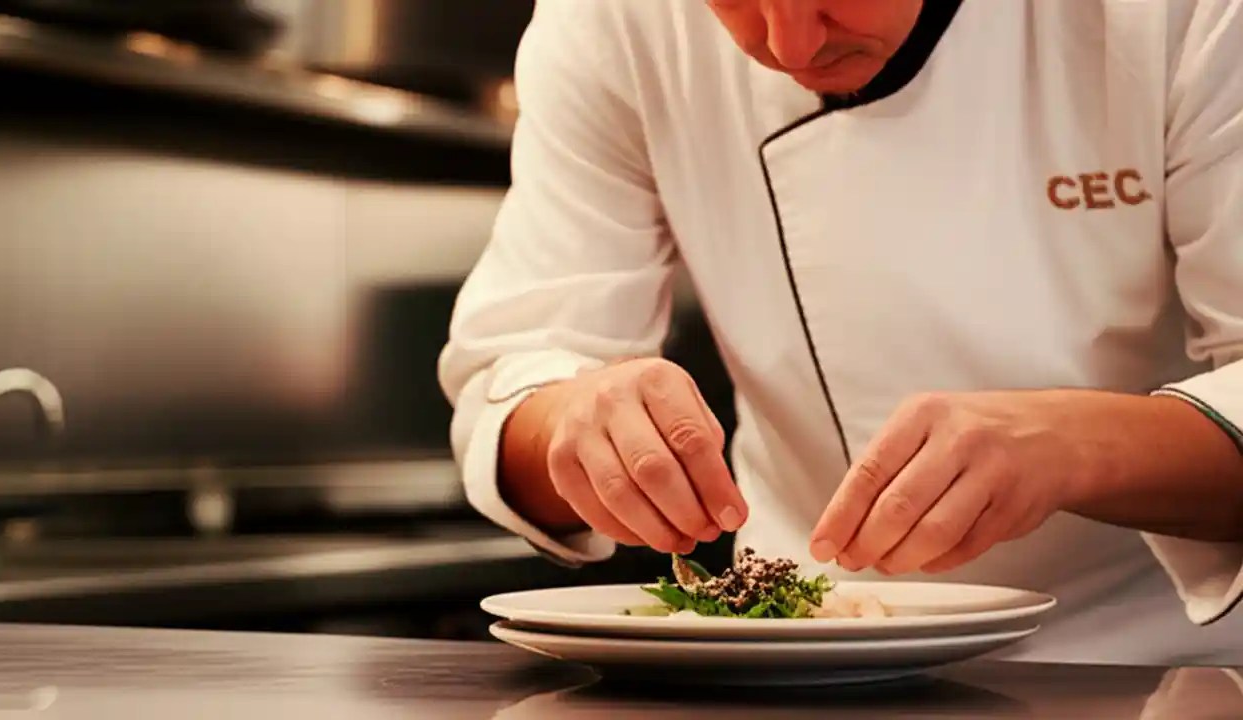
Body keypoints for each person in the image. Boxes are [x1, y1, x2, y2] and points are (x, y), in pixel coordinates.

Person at [438, 0, 1243, 664]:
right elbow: (511, 377)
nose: (787, 42)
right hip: (793, 653)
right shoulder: (611, 22)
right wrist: (576, 425)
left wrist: (1076, 444)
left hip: (1159, 665)